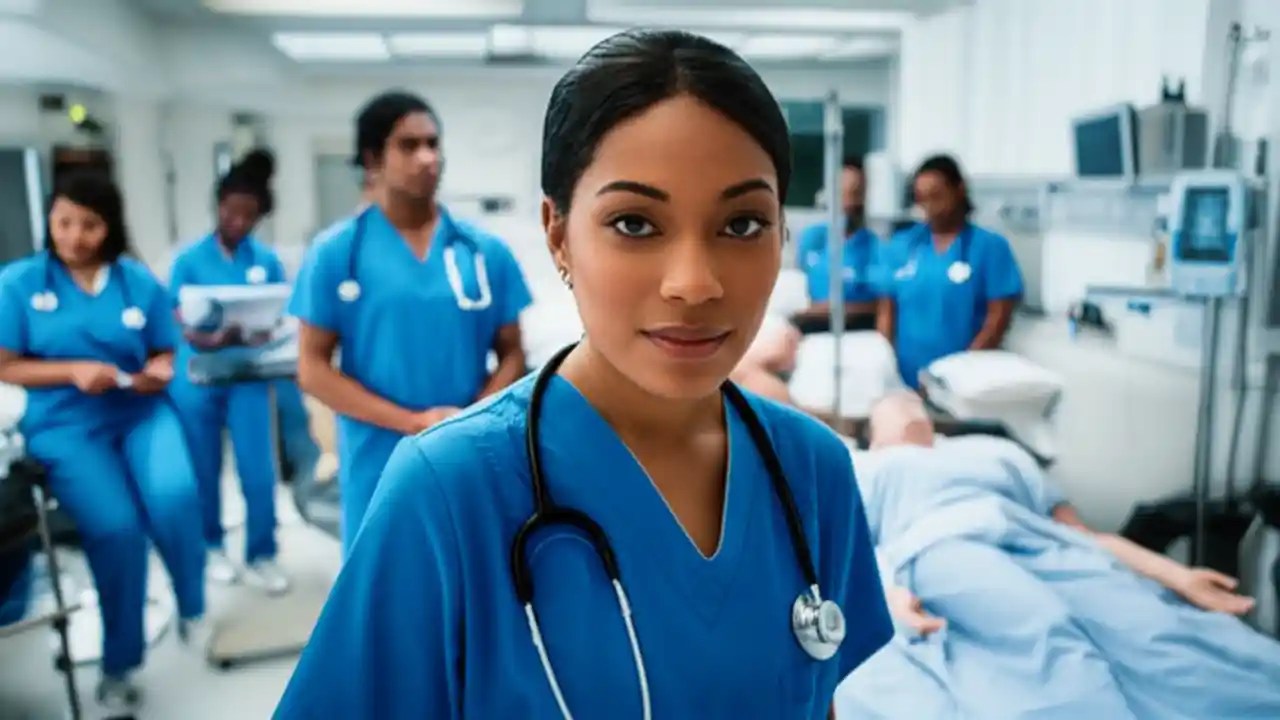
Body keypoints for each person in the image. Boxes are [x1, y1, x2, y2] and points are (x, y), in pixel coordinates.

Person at [275, 30, 892, 719]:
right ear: (559, 234)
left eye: (743, 224)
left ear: (782, 233)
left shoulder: (814, 472)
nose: (694, 283)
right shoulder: (448, 493)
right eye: (634, 223)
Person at [830, 391, 1280, 719]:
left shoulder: (996, 451)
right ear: (873, 432)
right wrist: (884, 593)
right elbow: (847, 547)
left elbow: (1082, 534)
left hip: (1047, 545)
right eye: (887, 406)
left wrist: (1176, 576)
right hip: (944, 546)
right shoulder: (868, 467)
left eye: (909, 399)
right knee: (1043, 631)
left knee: (1151, 626)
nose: (901, 405)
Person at [289, 90, 533, 553]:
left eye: (433, 143)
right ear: (372, 159)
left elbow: (513, 353)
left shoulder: (483, 252)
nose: (427, 158)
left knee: (472, 574)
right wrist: (412, 422)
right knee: (381, 585)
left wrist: (469, 420)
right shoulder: (336, 253)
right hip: (376, 453)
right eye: (408, 145)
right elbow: (312, 368)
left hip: (468, 448)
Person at [0, 171, 206, 710]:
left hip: (140, 412)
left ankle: (192, 604)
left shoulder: (136, 281)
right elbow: (5, 365)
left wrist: (159, 370)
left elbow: (165, 349)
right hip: (66, 424)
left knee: (177, 496)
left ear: (109, 226)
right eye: (63, 222)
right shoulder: (20, 283)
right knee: (117, 530)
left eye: (88, 225)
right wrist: (72, 371)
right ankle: (120, 665)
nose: (73, 236)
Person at [168, 150, 292, 595]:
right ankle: (210, 544)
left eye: (248, 214)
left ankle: (262, 553)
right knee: (203, 468)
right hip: (198, 378)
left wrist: (263, 333)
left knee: (258, 472)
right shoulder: (188, 260)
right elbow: (177, 322)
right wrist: (212, 338)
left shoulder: (266, 261)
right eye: (231, 210)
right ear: (217, 206)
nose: (238, 220)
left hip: (249, 378)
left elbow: (279, 316)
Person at [875, 155, 1023, 388]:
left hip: (963, 382)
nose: (929, 207)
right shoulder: (903, 245)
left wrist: (960, 374)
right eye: (921, 199)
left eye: (937, 196)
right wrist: (885, 367)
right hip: (904, 379)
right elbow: (887, 312)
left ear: (959, 189)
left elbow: (998, 320)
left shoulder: (989, 247)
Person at [795, 157, 882, 324]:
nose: (849, 202)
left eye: (855, 193)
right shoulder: (812, 238)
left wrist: (834, 309)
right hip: (811, 330)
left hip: (857, 332)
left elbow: (881, 305)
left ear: (865, 195)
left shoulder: (875, 246)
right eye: (842, 193)